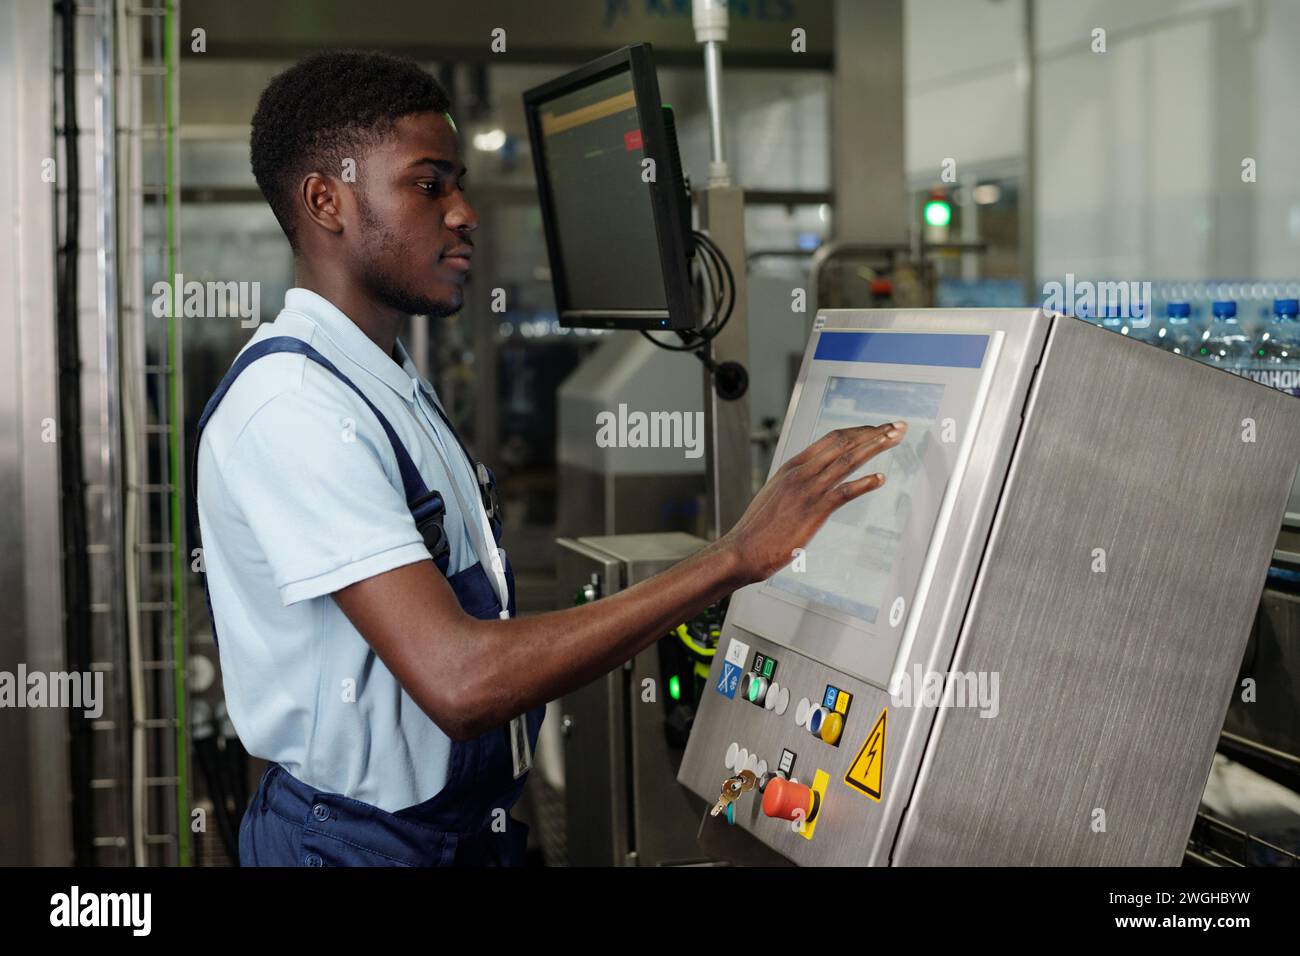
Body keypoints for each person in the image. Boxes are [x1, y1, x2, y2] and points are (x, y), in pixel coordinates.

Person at [195, 50, 906, 867]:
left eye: (457, 183)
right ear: (327, 200)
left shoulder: (384, 379)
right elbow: (460, 683)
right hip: (360, 847)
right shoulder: (296, 406)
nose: (463, 212)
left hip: (456, 831)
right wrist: (733, 559)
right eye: (429, 184)